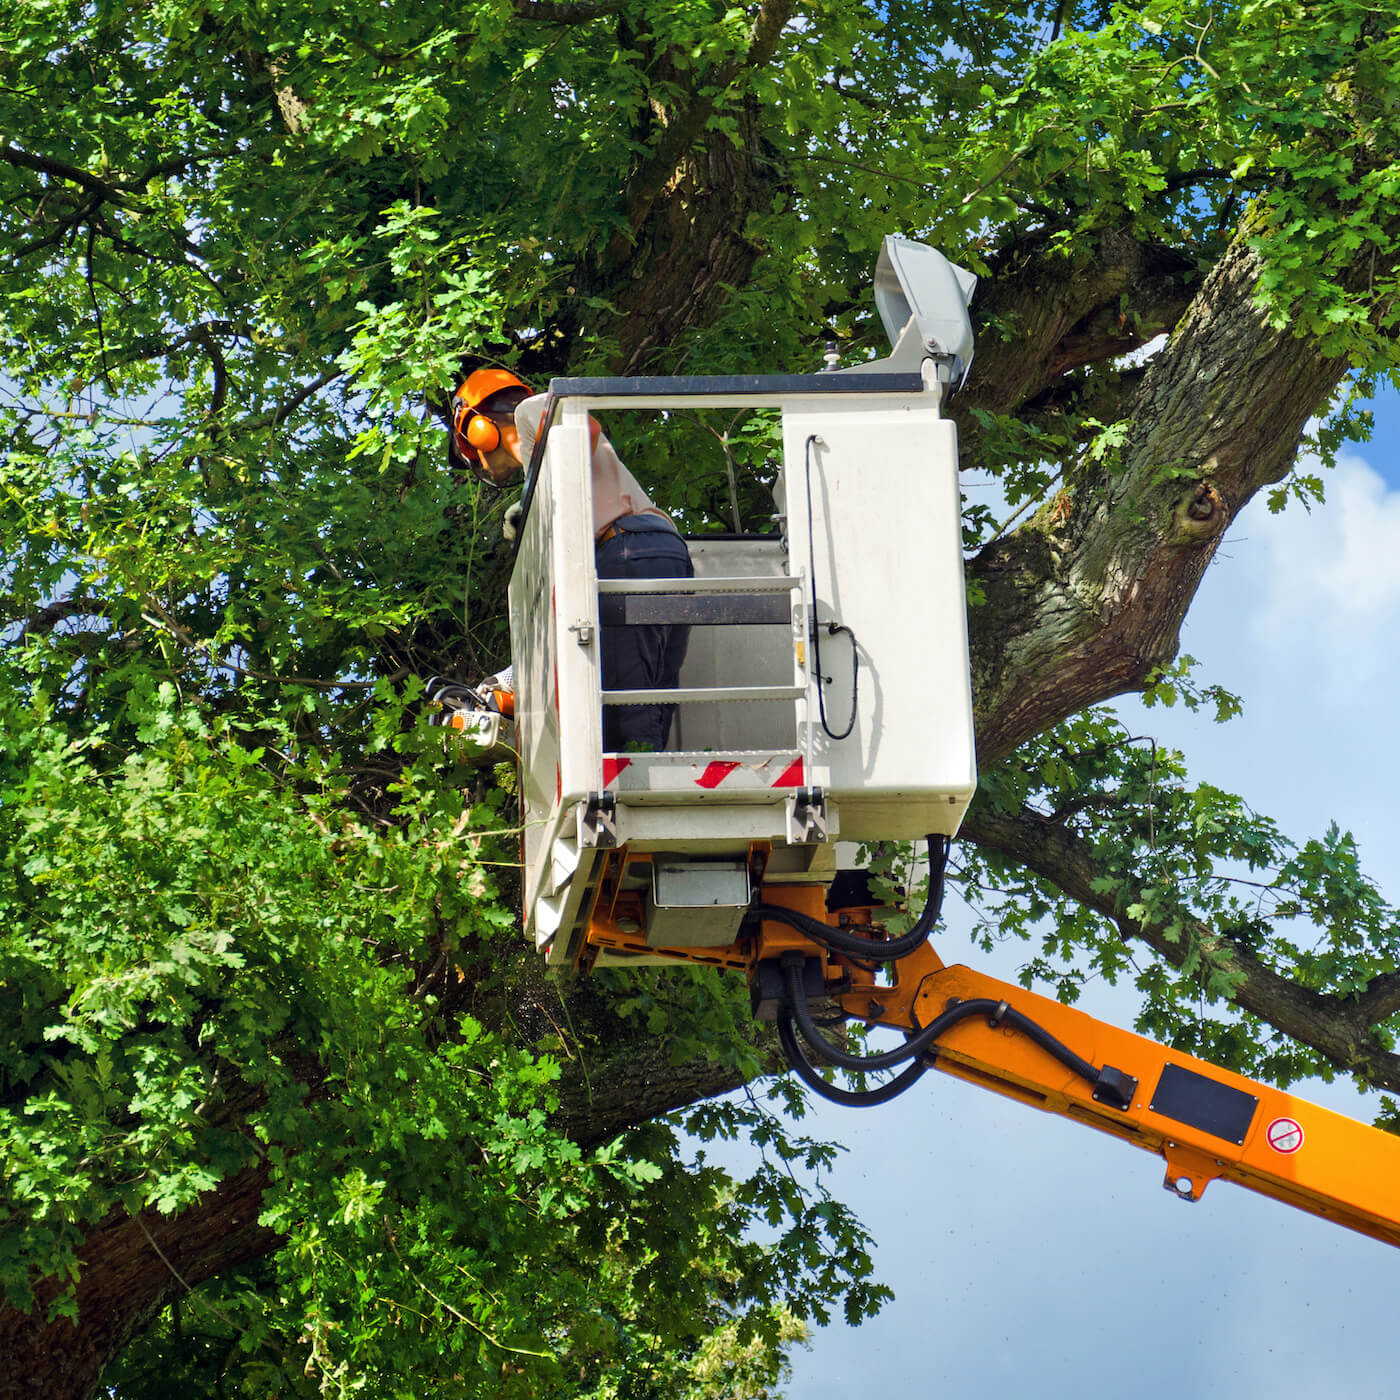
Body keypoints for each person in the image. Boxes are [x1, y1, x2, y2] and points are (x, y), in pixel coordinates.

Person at [448, 367, 693, 752]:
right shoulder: (540, 460)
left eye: (471, 456)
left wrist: (538, 500)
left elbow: (583, 430)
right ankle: (653, 777)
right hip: (665, 552)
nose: (479, 465)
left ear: (479, 430)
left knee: (624, 700)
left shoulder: (532, 412)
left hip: (626, 548)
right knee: (653, 694)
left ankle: (635, 788)